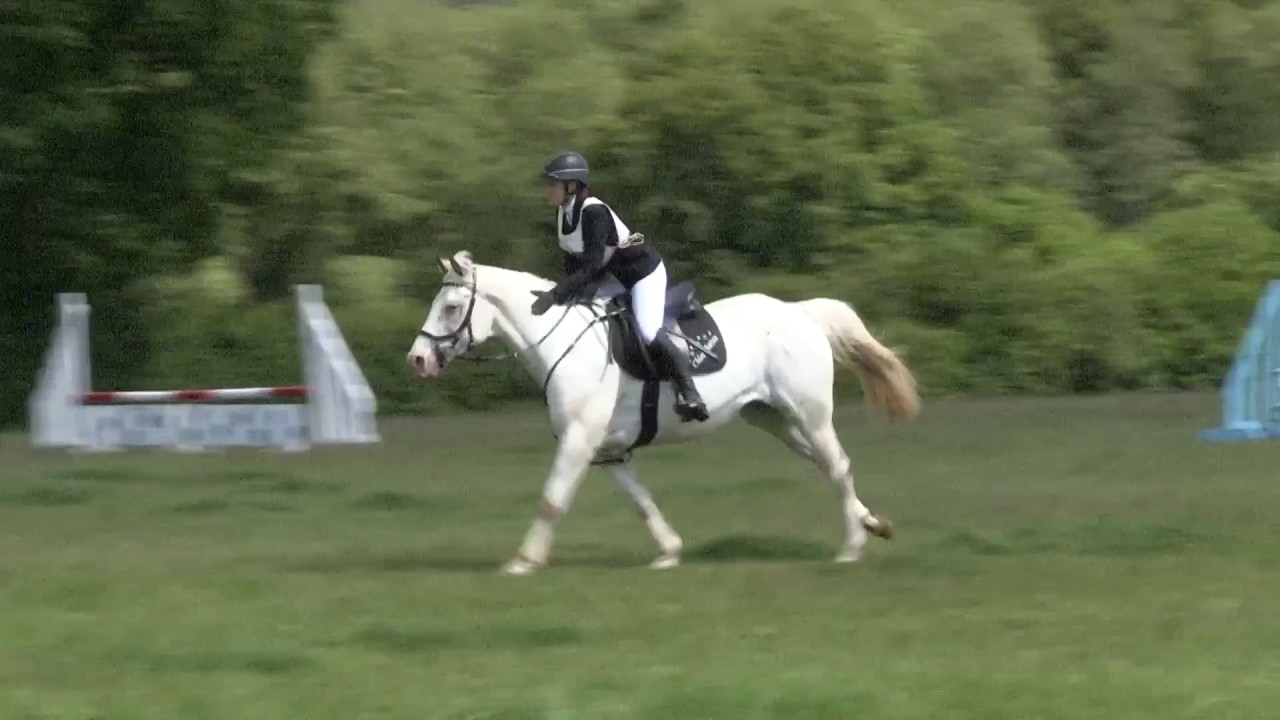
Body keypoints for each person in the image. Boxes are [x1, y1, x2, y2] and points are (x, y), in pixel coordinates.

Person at [531, 150, 709, 422]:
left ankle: (690, 393)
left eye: (552, 184)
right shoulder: (564, 215)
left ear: (571, 186)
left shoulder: (594, 212)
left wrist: (557, 293)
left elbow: (590, 266)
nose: (547, 190)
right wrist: (565, 295)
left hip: (643, 273)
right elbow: (573, 264)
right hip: (613, 278)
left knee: (648, 332)